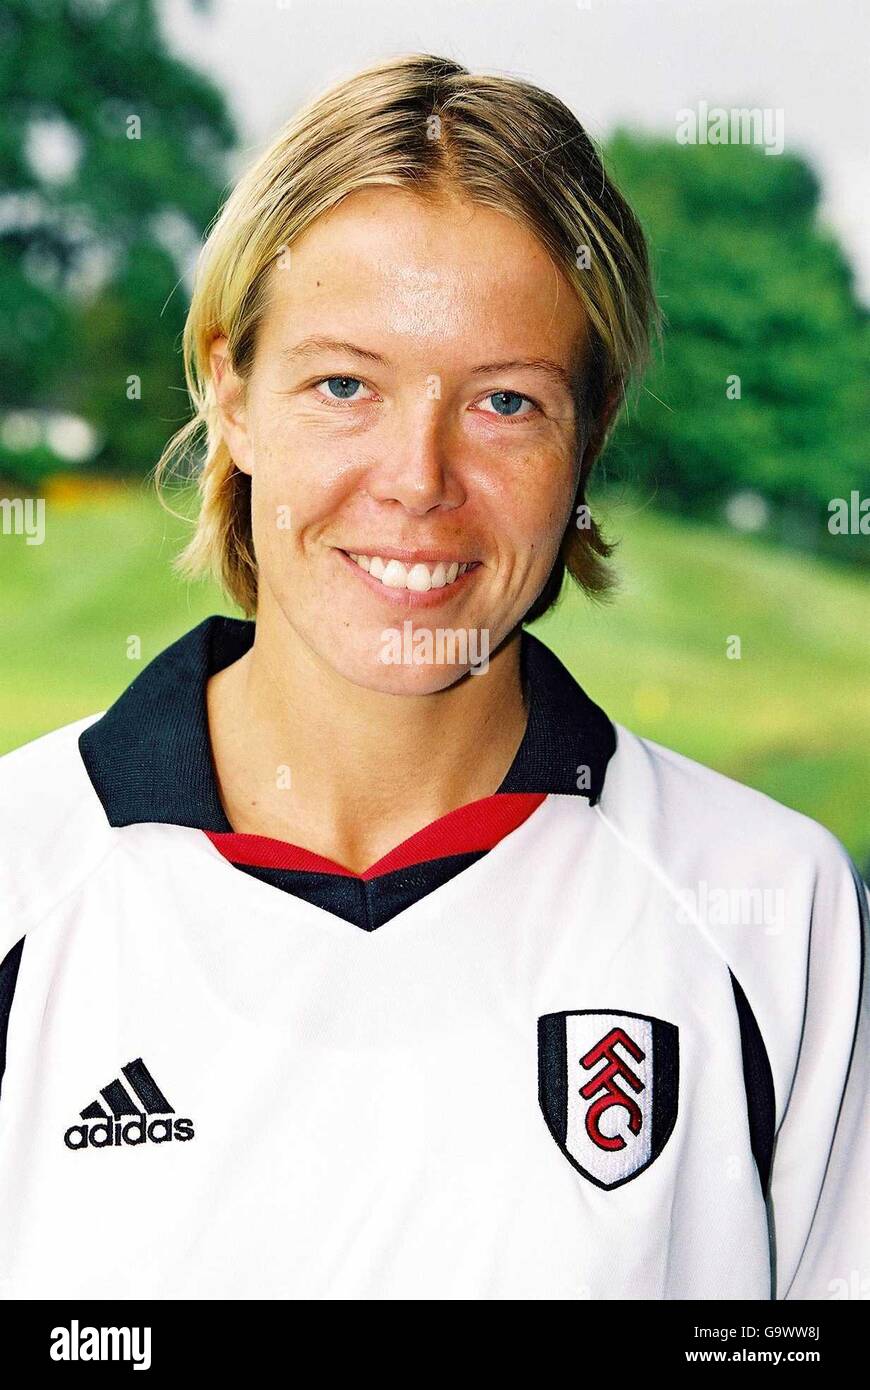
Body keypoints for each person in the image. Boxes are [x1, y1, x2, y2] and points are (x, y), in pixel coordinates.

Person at [0, 53, 866, 1301]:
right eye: (345, 384)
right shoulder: (24, 881)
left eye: (506, 402)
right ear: (230, 391)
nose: (419, 478)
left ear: (591, 431)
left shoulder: (771, 912)